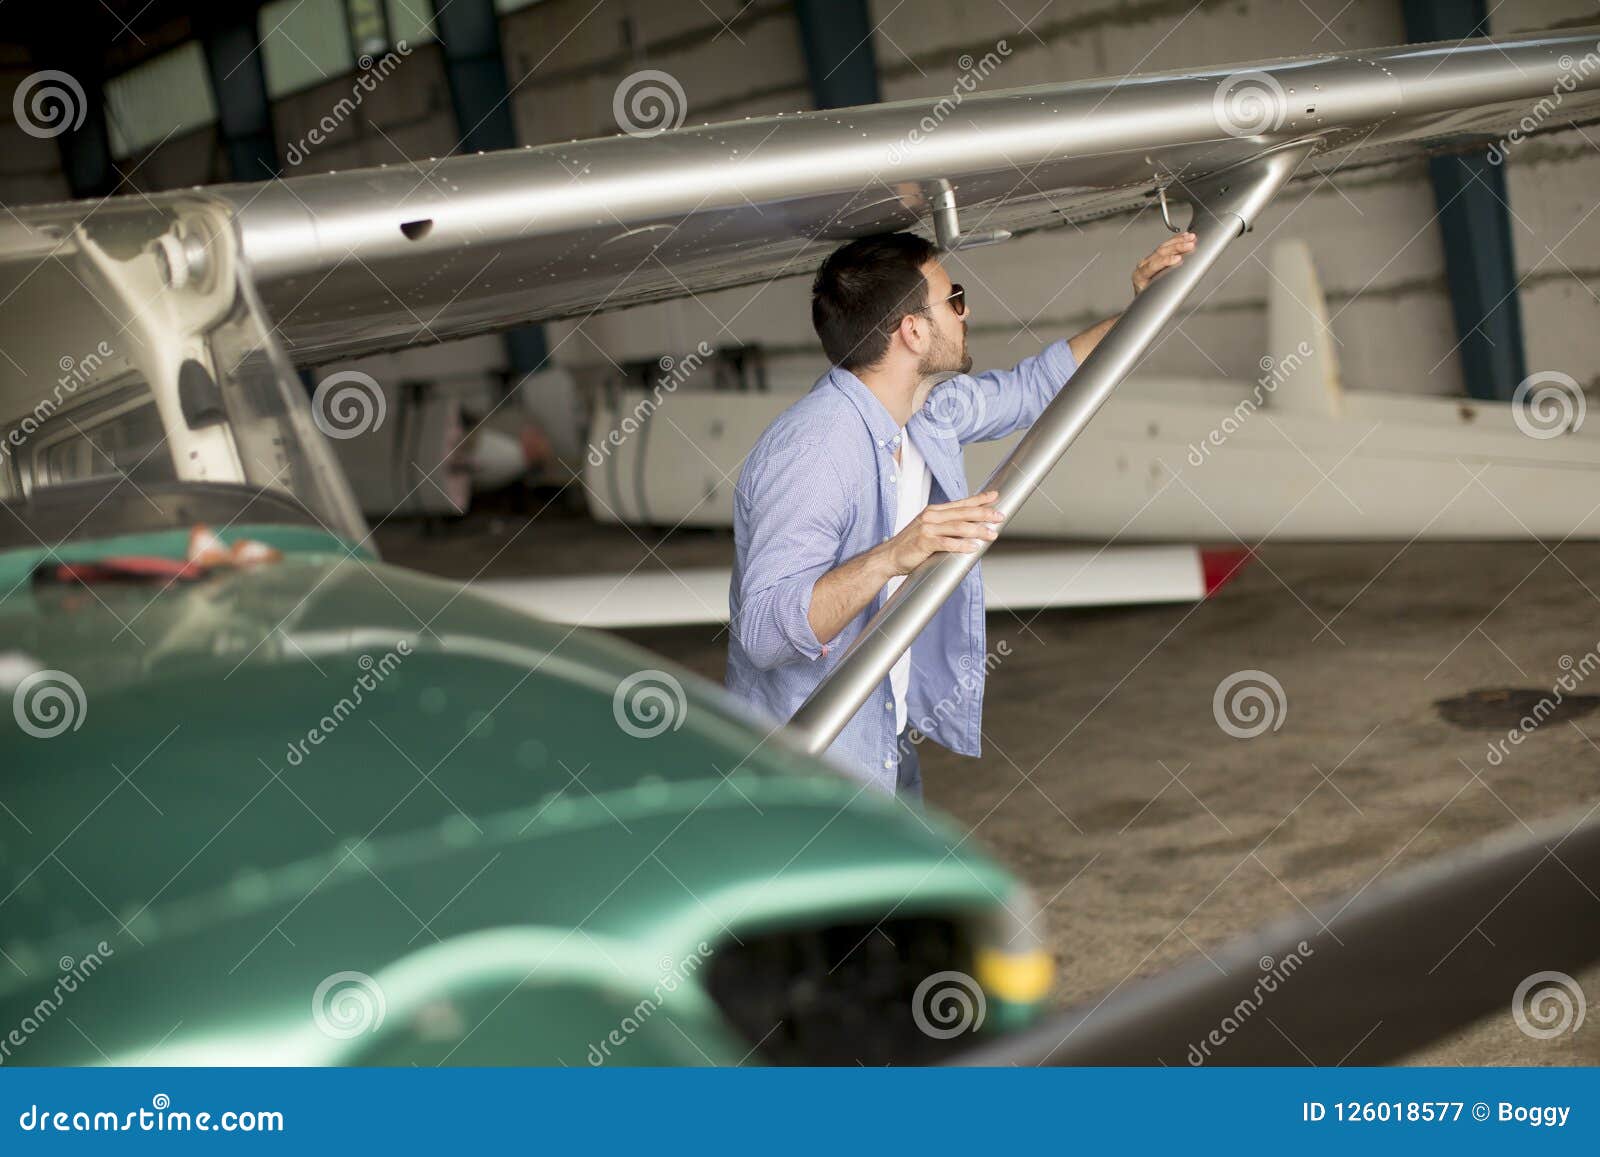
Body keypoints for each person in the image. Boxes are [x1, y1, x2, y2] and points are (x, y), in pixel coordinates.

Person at [725, 229, 1195, 799]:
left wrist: (1145, 302)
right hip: (812, 774)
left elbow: (1038, 385)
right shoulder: (814, 452)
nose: (965, 310)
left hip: (880, 735)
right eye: (953, 299)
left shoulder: (927, 412)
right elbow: (766, 633)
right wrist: (893, 555)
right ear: (913, 331)